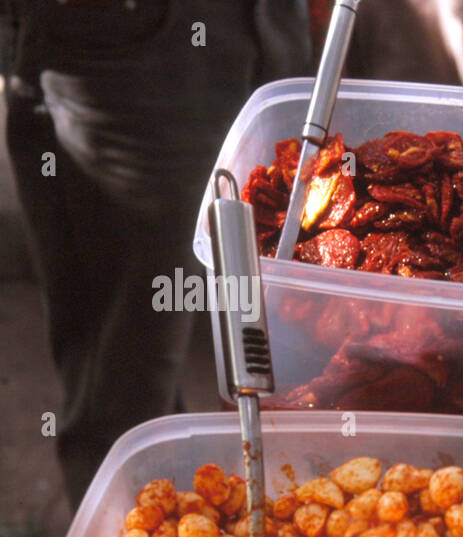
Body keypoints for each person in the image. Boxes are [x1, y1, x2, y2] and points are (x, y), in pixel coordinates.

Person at [1, 0, 312, 503]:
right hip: (129, 57)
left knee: (157, 364)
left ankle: (176, 525)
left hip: (253, 32)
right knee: (123, 378)